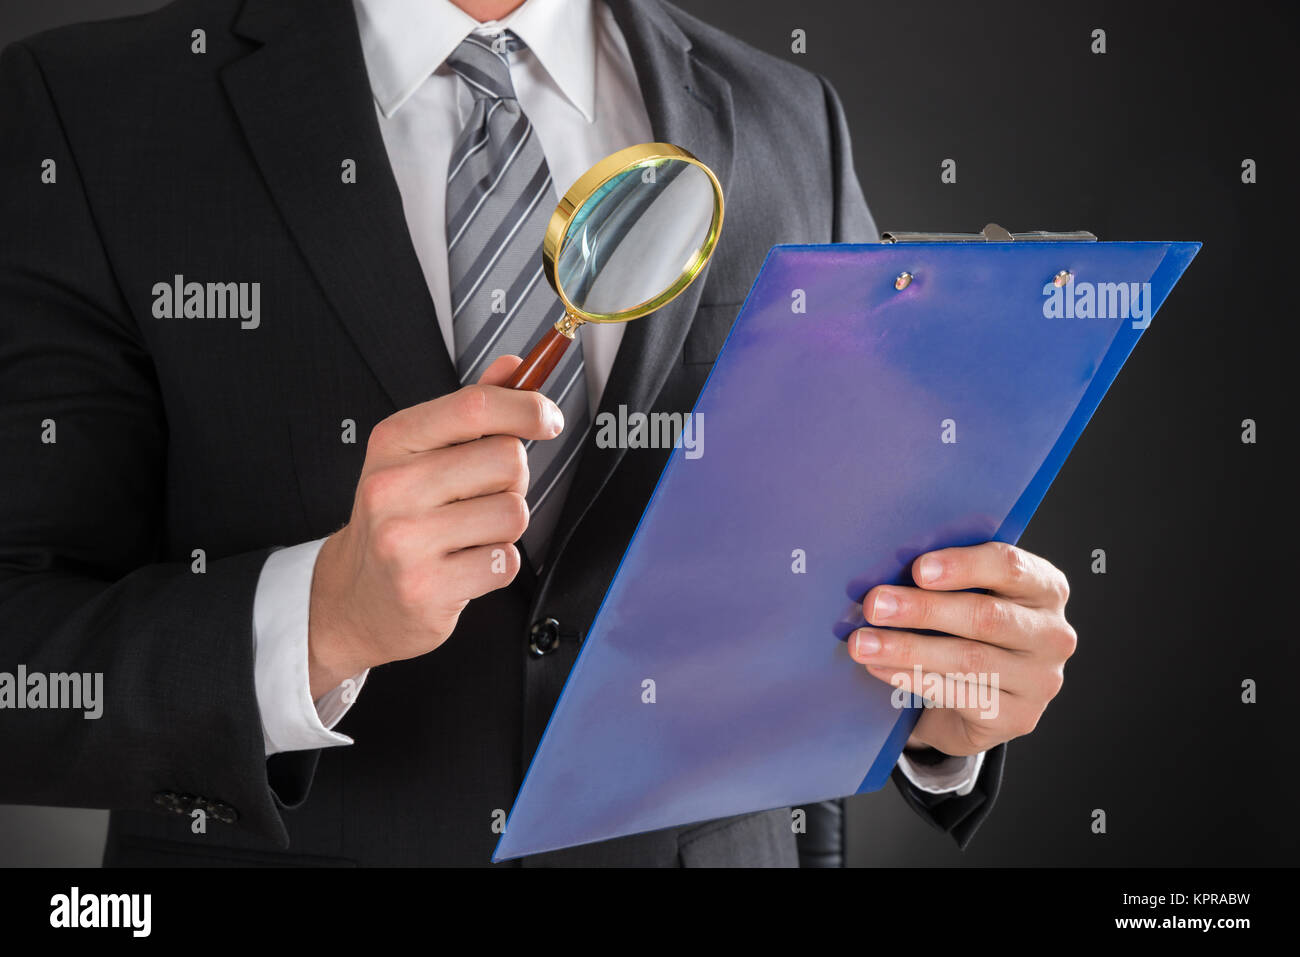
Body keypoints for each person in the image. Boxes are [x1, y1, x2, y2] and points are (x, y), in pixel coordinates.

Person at [0, 0, 1075, 866]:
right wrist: (319, 617)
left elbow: (837, 568)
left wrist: (937, 705)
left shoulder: (790, 113)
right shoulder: (86, 109)